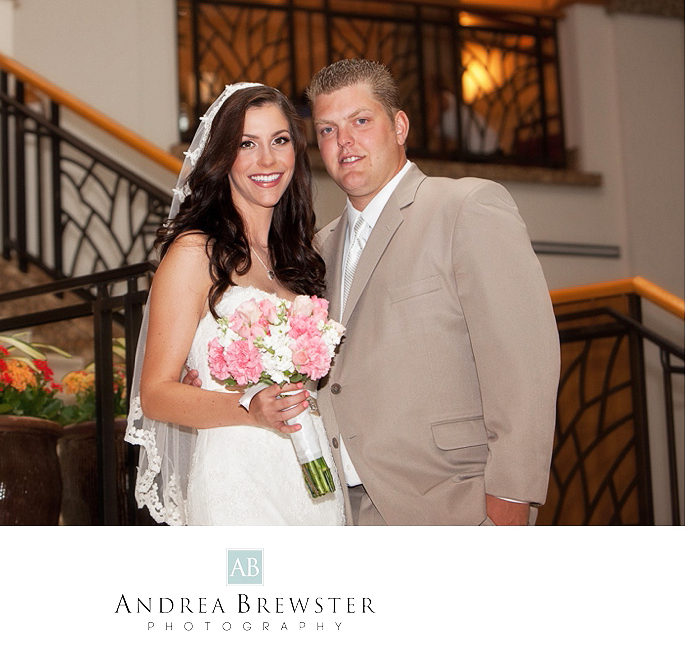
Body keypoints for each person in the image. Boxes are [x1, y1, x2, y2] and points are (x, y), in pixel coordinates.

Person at [295, 58, 560, 525]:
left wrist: (511, 500)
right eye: (327, 130)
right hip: (348, 514)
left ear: (399, 126)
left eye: (360, 121)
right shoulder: (319, 248)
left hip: (454, 504)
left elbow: (524, 361)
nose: (345, 142)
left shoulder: (466, 207)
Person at [125, 83, 345, 526]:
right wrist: (248, 408)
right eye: (248, 144)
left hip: (312, 470)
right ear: (223, 156)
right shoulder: (195, 253)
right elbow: (155, 395)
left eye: (279, 141)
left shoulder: (298, 258)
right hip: (238, 473)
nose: (268, 160)